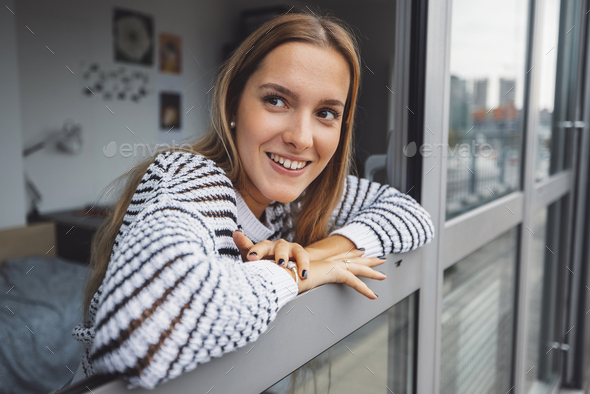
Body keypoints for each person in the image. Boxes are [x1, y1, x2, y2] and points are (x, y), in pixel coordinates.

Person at [70, 10, 434, 390]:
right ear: (233, 106)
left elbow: (412, 216)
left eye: (326, 112)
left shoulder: (301, 198)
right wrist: (288, 275)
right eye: (277, 101)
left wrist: (316, 255)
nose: (302, 138)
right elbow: (139, 334)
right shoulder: (190, 177)